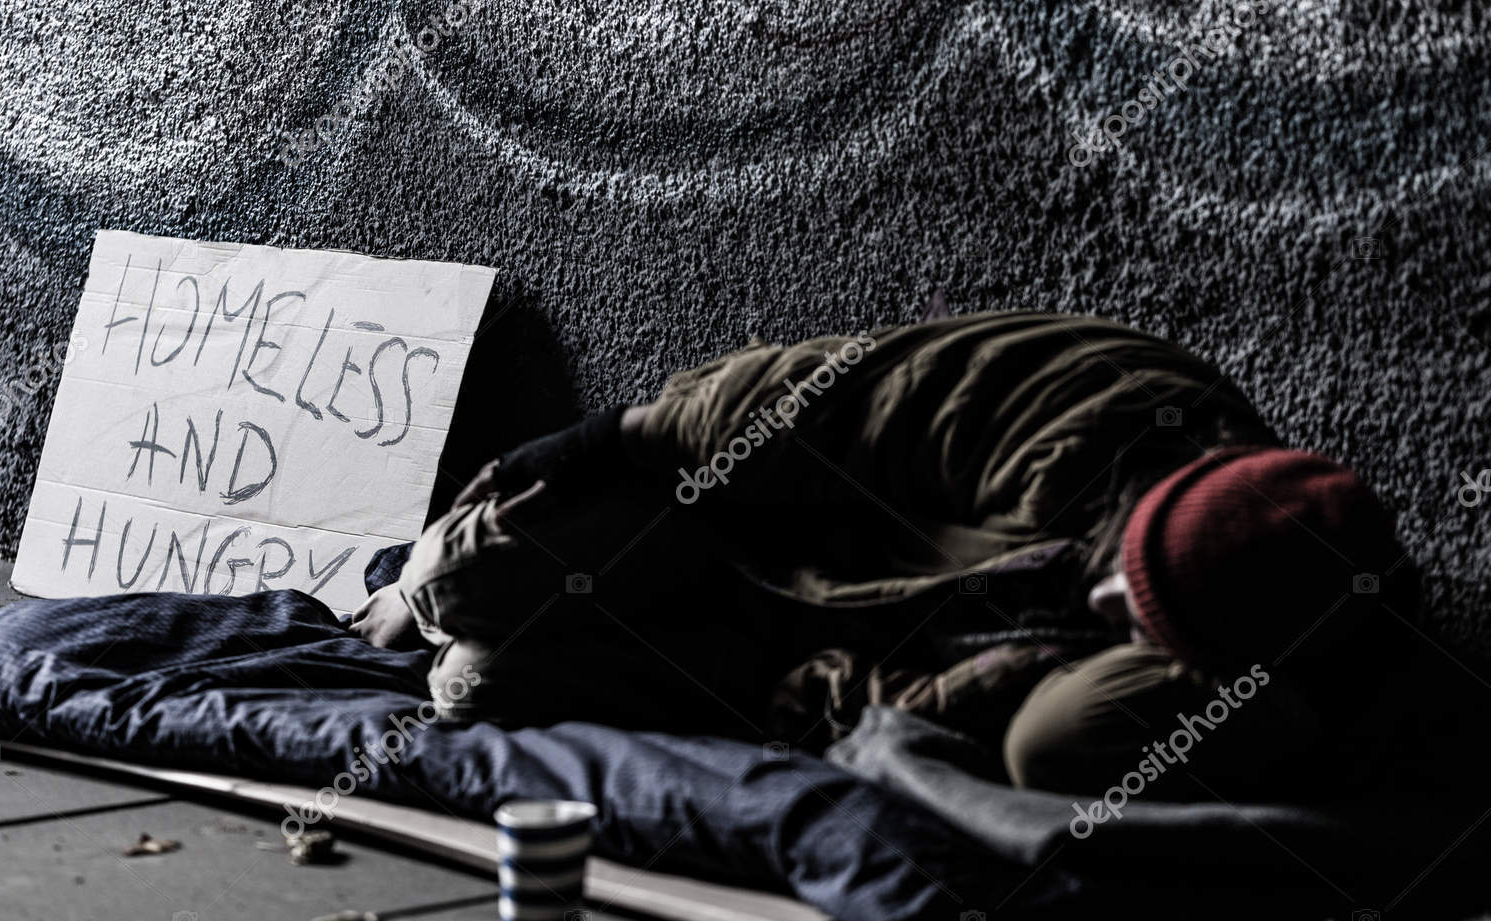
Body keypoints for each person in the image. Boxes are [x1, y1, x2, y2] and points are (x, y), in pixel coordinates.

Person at [351, 311, 1416, 802]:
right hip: (720, 533)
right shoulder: (1066, 398)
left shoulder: (1276, 629)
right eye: (1120, 578)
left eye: (1147, 625)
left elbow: (1034, 729)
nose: (1107, 608)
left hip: (796, 665)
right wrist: (434, 561)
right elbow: (737, 414)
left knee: (477, 690)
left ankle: (466, 637)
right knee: (456, 586)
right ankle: (409, 583)